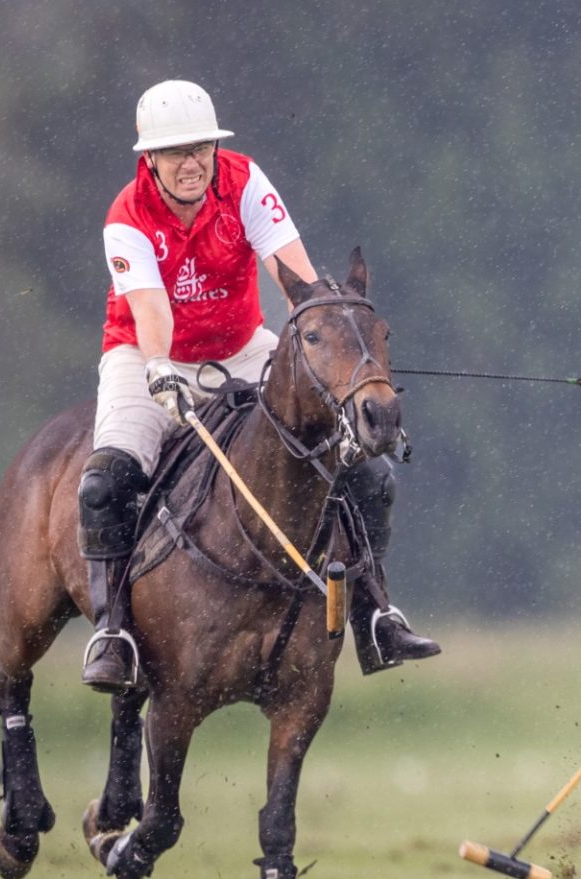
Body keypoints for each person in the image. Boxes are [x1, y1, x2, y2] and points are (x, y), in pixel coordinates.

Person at [80, 79, 439, 692]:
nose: (192, 163)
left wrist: (335, 350)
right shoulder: (128, 216)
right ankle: (113, 632)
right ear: (151, 160)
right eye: (176, 152)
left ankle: (375, 613)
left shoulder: (245, 182)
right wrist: (160, 364)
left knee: (365, 472)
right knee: (105, 482)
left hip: (243, 349)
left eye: (201, 148)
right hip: (148, 356)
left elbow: (296, 280)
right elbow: (151, 309)